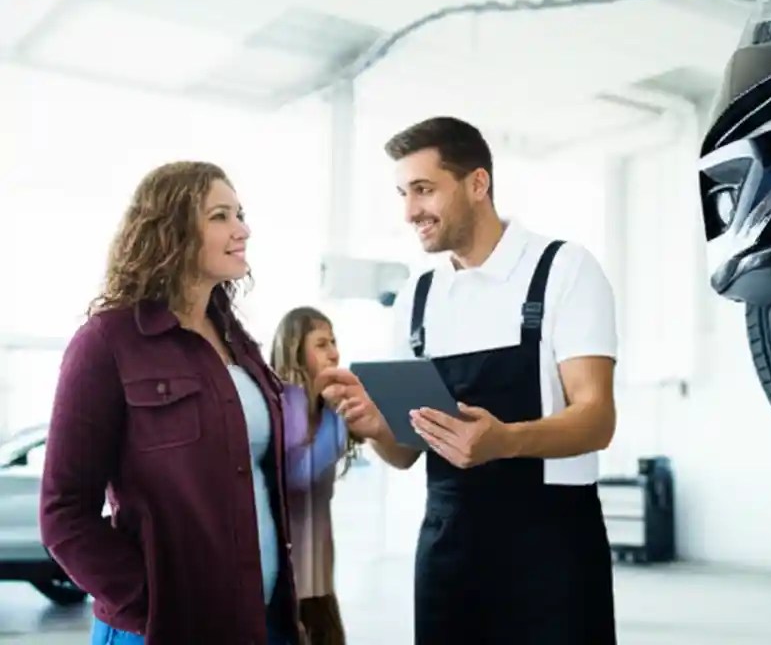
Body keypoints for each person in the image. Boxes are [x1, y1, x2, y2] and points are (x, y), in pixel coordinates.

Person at [316, 116, 620, 644]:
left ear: (478, 184)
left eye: (424, 189)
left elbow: (596, 417)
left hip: (550, 552)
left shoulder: (563, 269)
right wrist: (373, 425)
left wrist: (506, 441)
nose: (410, 211)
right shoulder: (418, 297)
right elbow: (407, 452)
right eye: (403, 193)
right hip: (448, 553)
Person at [39, 161, 301, 645]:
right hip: (162, 630)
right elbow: (64, 514)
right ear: (172, 229)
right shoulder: (107, 343)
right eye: (221, 216)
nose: (243, 229)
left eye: (239, 214)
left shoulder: (237, 340)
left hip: (260, 622)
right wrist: (148, 602)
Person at [270, 306, 359, 645]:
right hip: (285, 584)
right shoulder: (283, 404)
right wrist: (340, 417)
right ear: (295, 349)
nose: (334, 352)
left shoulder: (323, 407)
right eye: (322, 344)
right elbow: (297, 477)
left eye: (334, 341)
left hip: (318, 580)